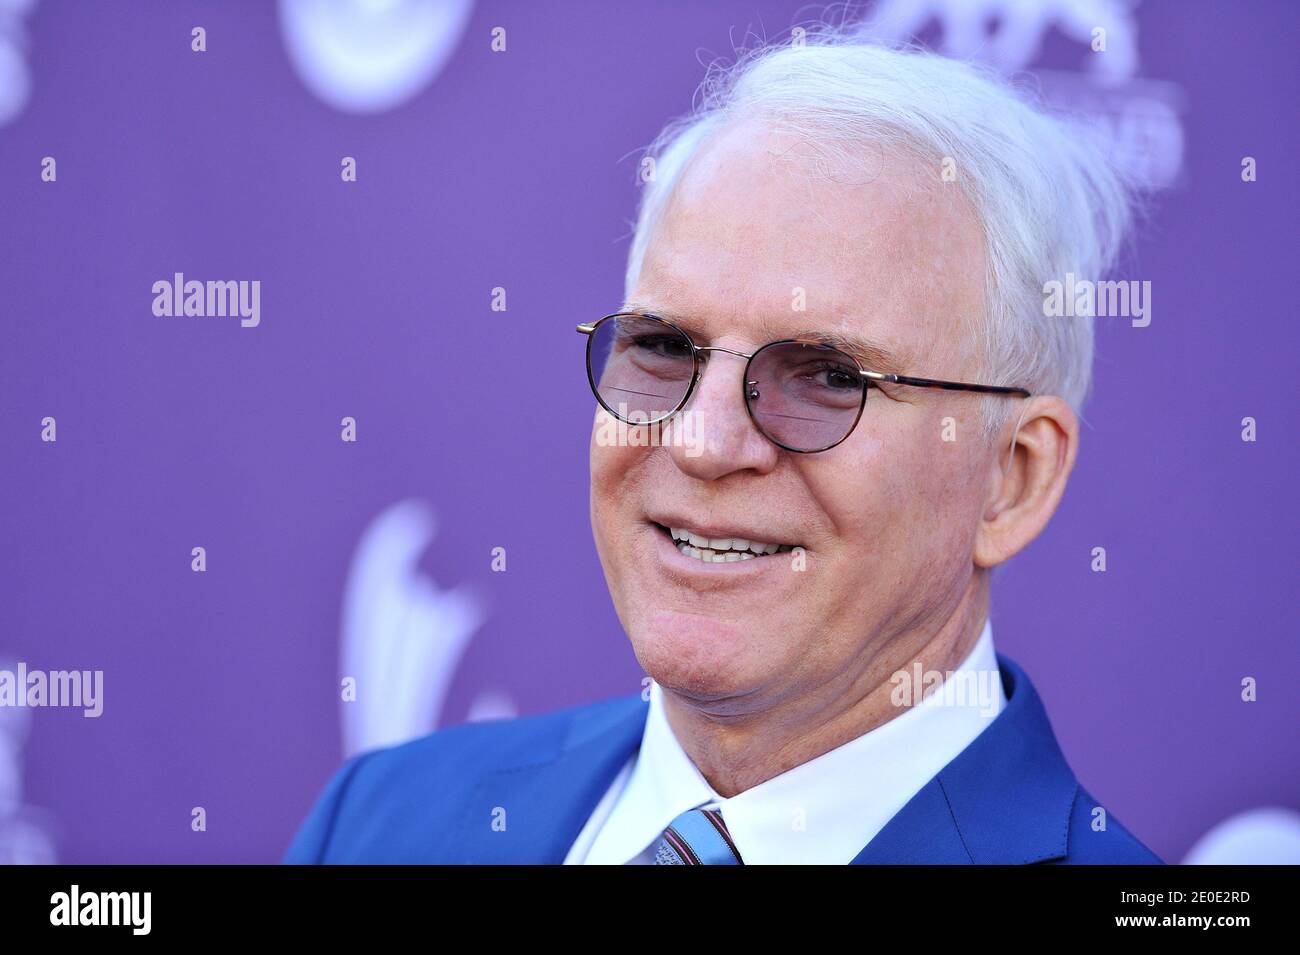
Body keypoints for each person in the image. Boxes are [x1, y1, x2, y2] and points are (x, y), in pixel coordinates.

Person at [284, 30, 1160, 865]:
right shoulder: (382, 819)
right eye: (664, 347)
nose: (703, 441)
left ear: (1014, 476)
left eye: (825, 375)